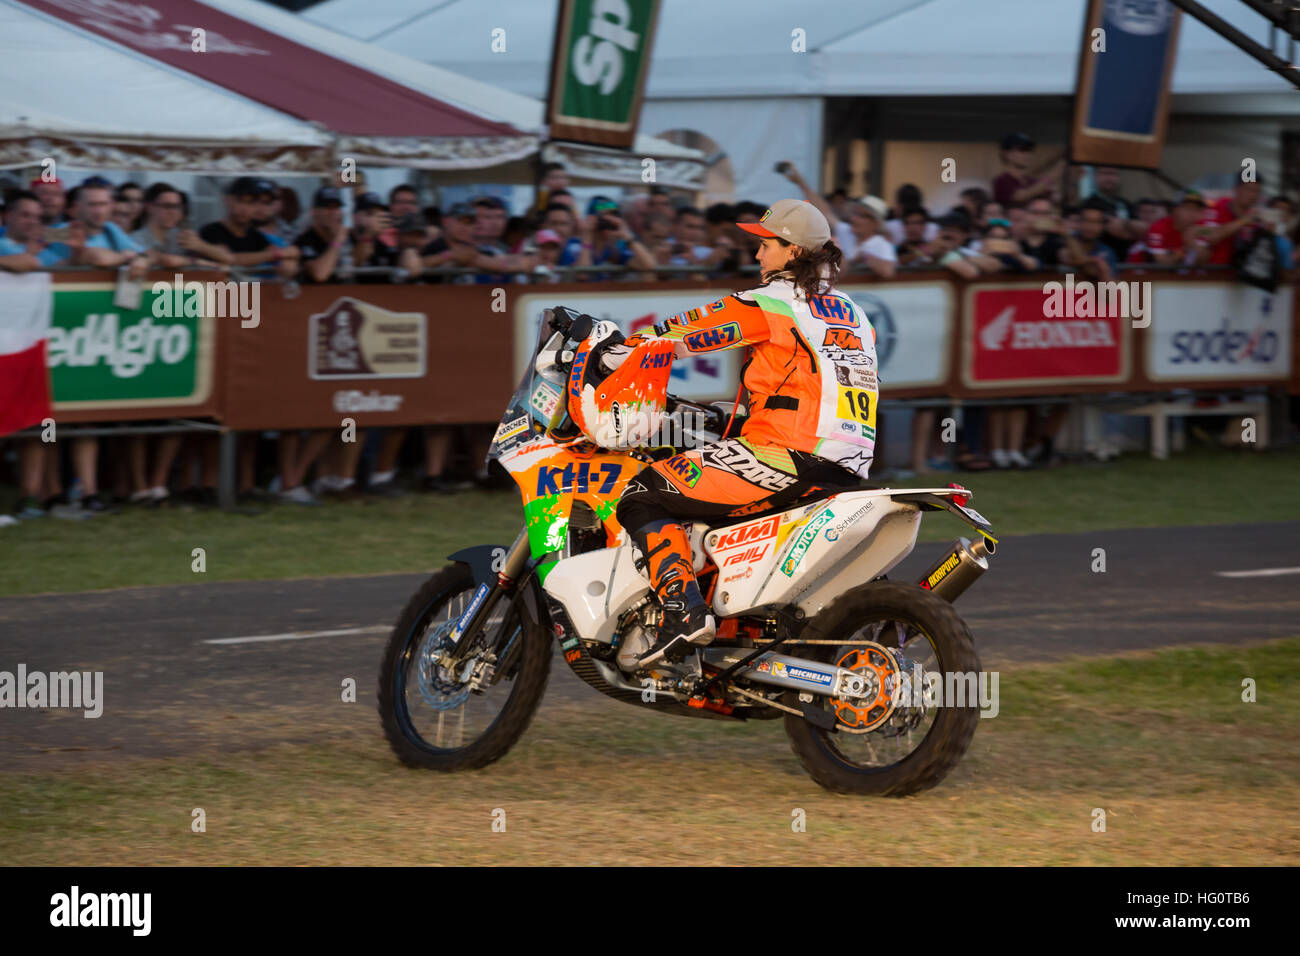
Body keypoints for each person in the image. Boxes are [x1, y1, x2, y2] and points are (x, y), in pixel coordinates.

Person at [612, 199, 878, 667]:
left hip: (789, 454)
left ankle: (683, 613)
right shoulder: (853, 311)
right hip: (849, 462)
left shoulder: (769, 302)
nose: (757, 255)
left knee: (642, 494)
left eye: (765, 244)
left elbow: (675, 335)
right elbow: (812, 386)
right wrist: (728, 417)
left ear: (793, 251)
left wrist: (609, 352)